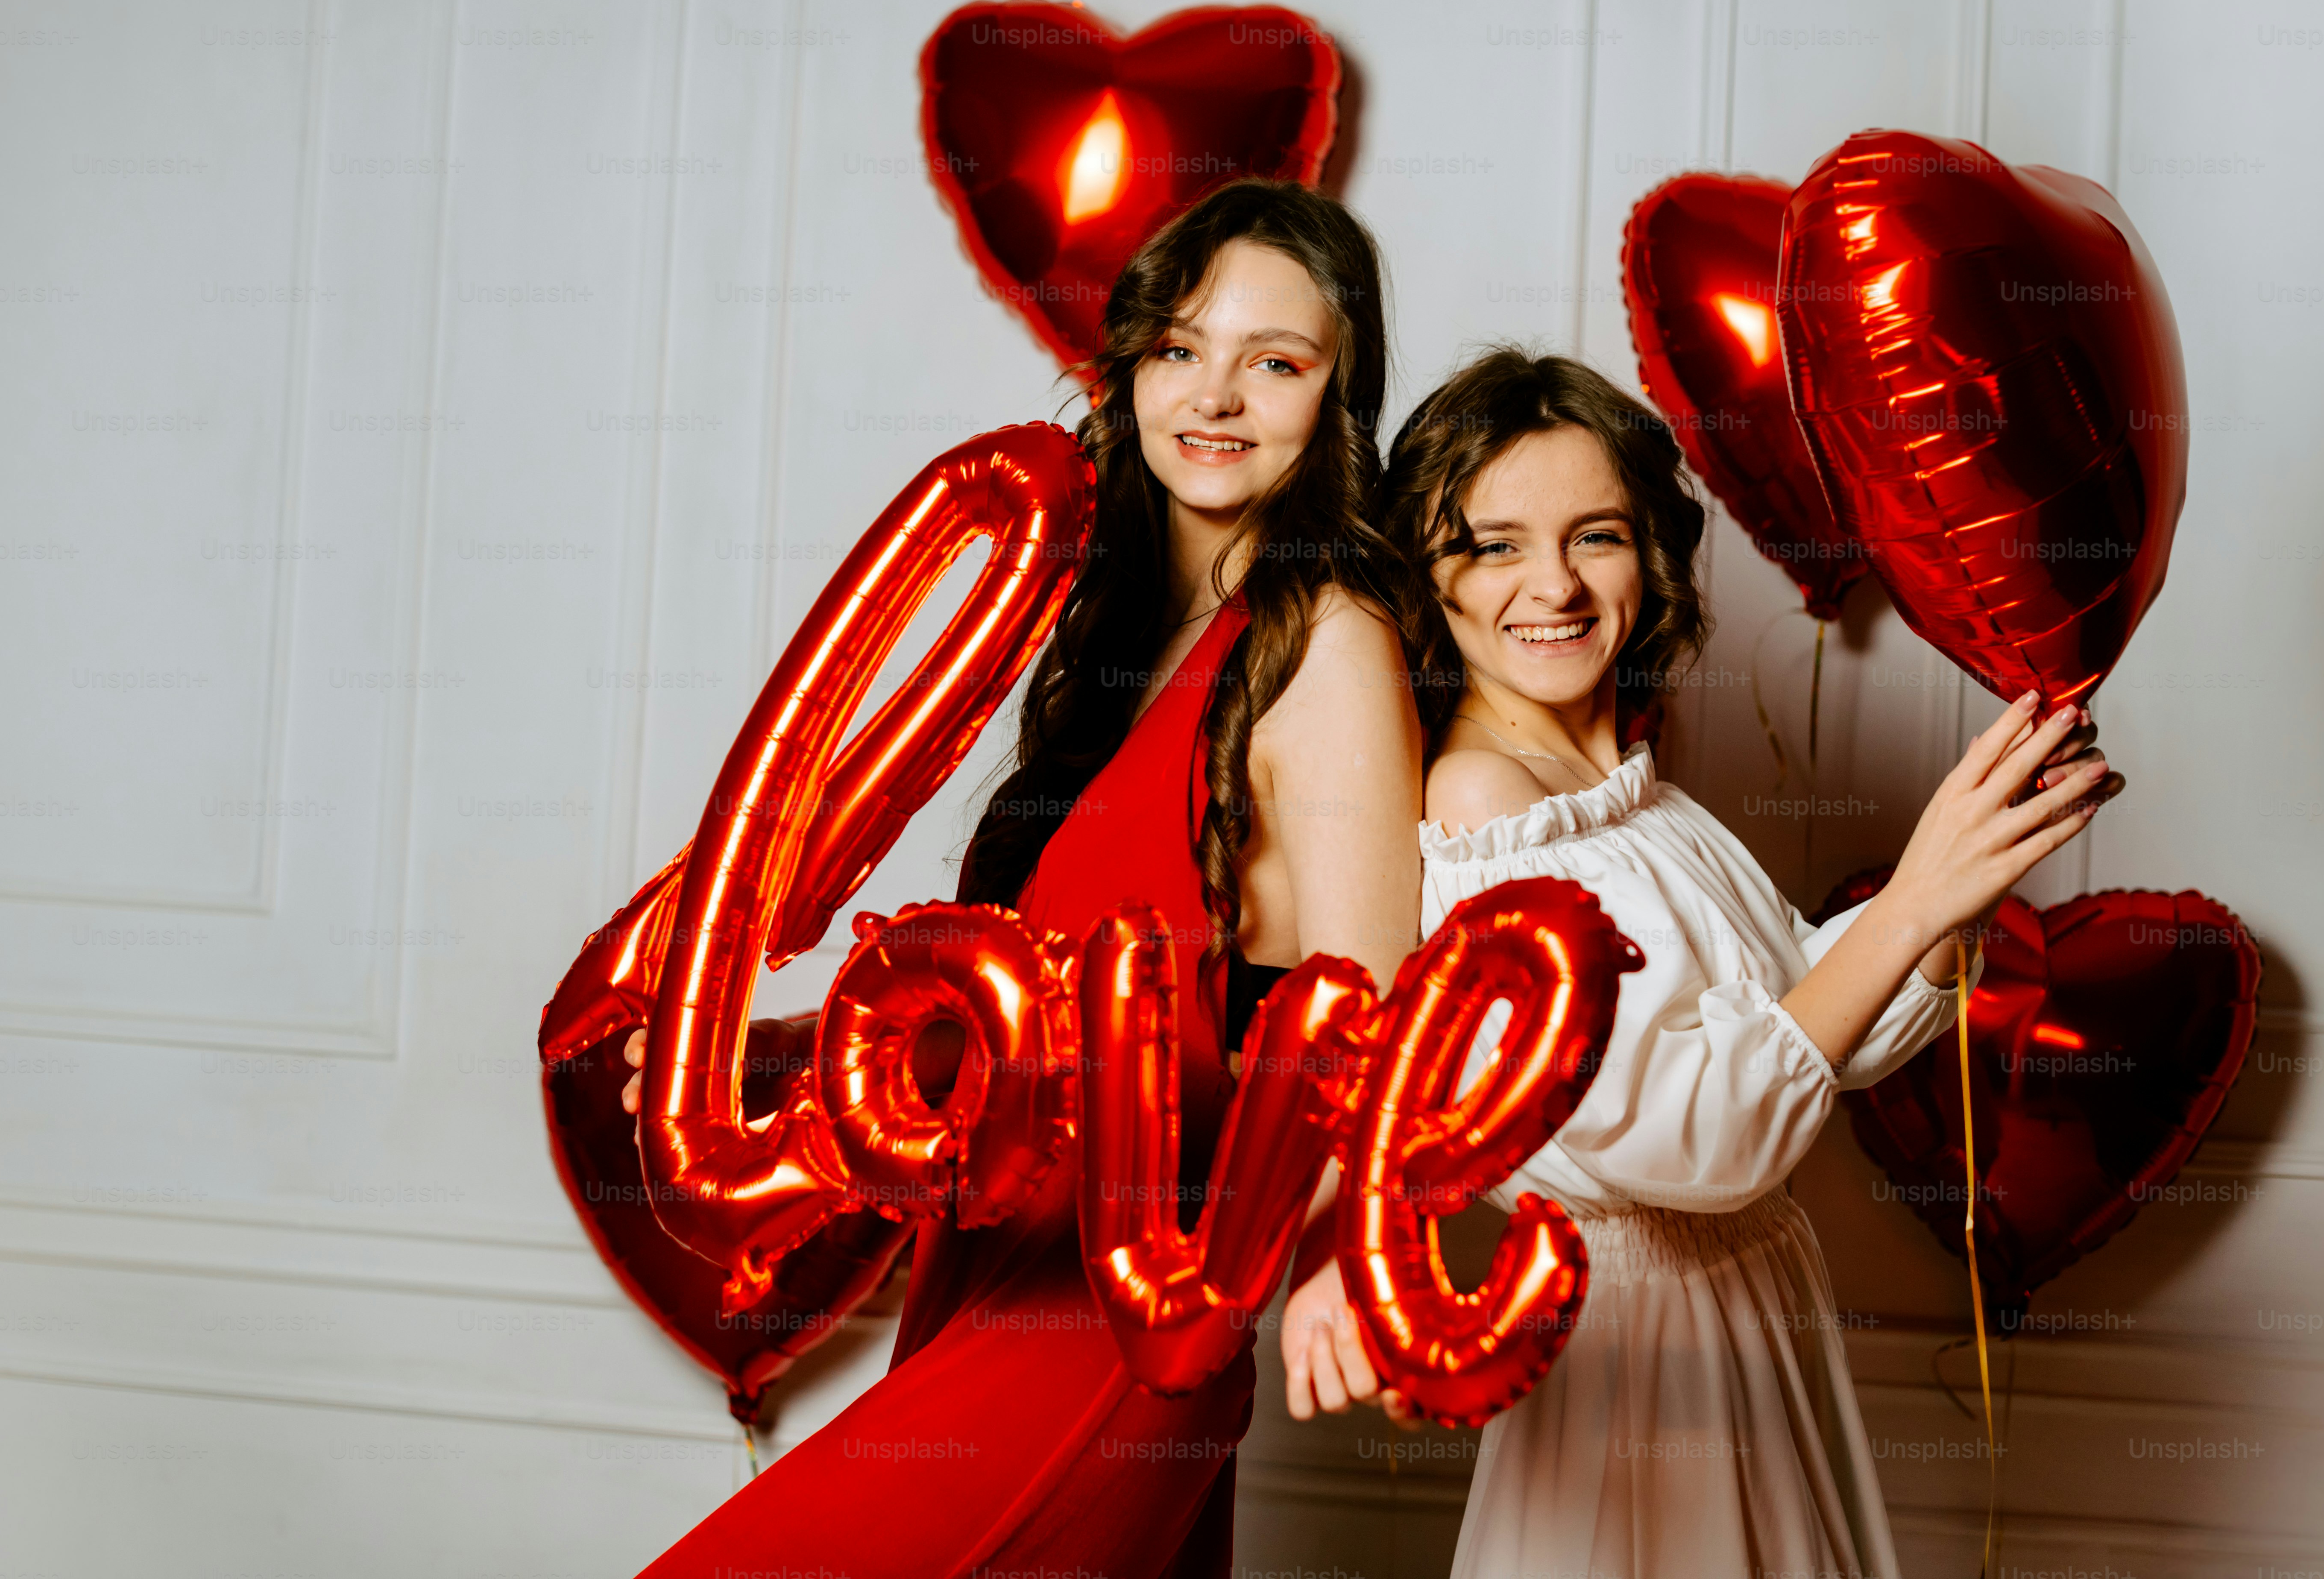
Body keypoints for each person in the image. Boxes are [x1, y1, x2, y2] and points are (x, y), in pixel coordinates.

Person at [620, 178, 1424, 1576]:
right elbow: (1022, 1027)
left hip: (1126, 1310)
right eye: (1181, 348)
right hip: (996, 1264)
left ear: (1338, 395)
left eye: (1276, 361)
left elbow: (1372, 1037)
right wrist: (778, 1079)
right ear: (1129, 370)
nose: (1216, 395)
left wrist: (1278, 1283)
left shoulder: (1328, 638)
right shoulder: (1113, 640)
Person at [1285, 345, 2120, 1579]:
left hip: (1752, 1314)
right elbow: (1702, 1139)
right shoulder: (1480, 804)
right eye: (1495, 544)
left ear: (1650, 554)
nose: (1554, 584)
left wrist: (1952, 904)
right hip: (1642, 1355)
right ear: (1432, 579)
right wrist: (1916, 895)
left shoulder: (1626, 790)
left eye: (1597, 535)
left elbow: (1798, 1023)